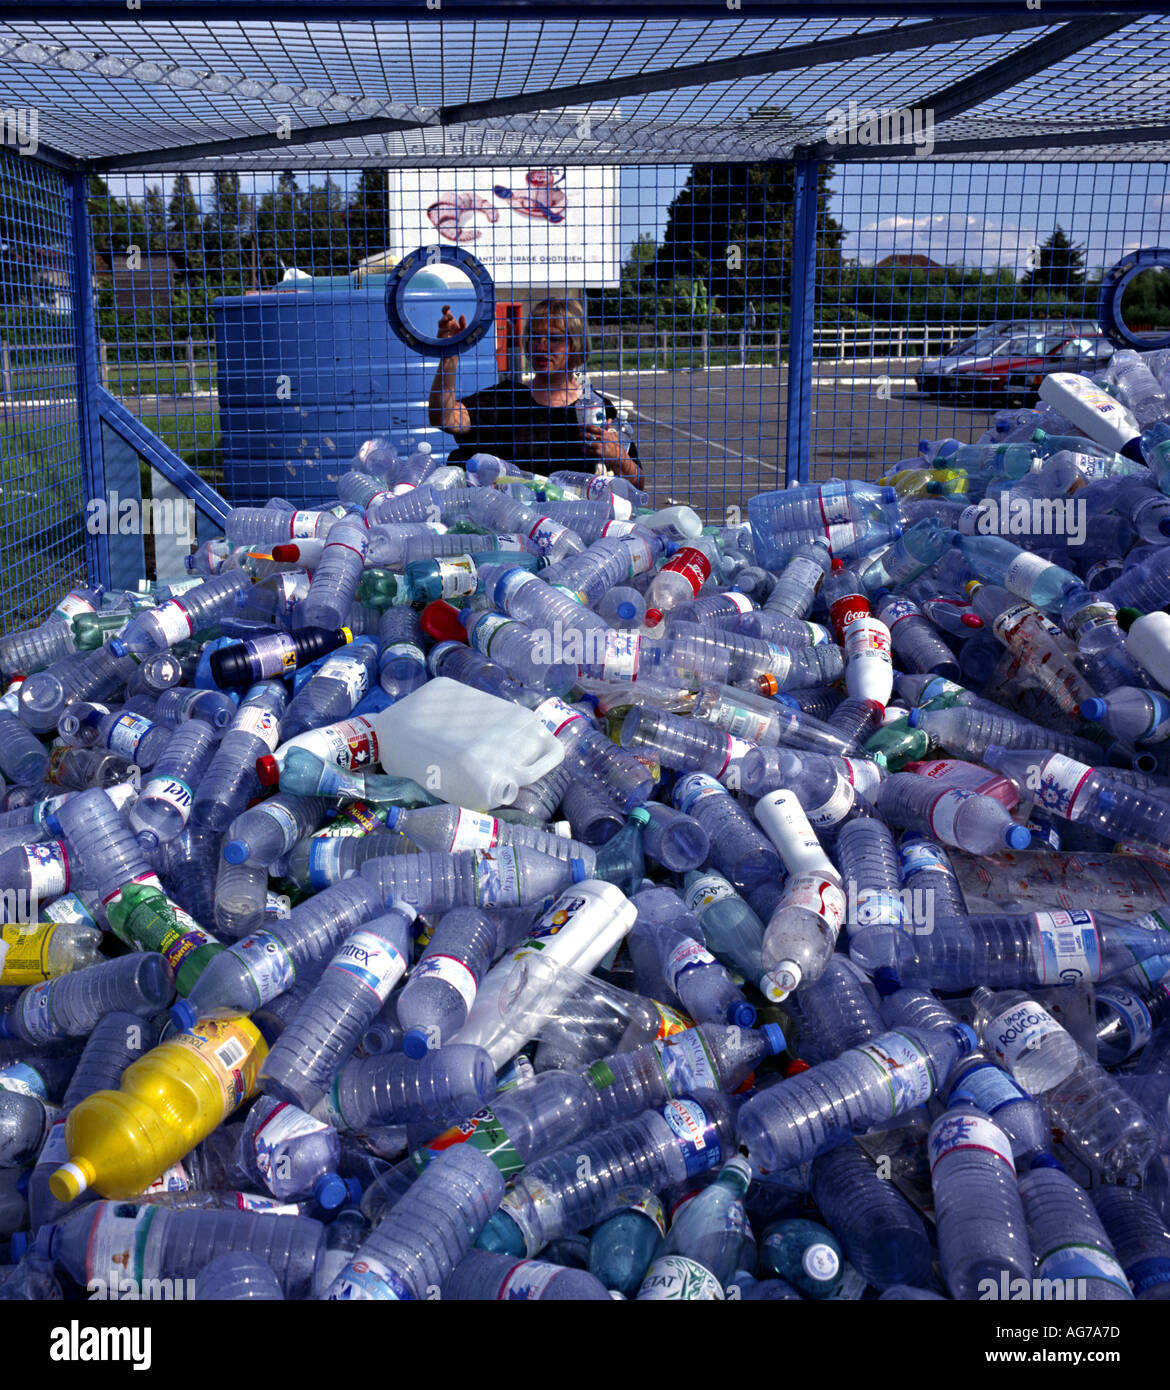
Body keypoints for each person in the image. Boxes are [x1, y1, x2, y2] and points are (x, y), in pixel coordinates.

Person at [427, 296, 643, 485]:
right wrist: (450, 353)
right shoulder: (506, 398)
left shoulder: (595, 408)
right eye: (536, 337)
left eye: (554, 338)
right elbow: (445, 418)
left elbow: (638, 486)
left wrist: (618, 458)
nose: (541, 345)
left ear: (576, 344)